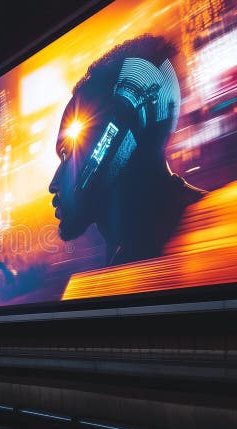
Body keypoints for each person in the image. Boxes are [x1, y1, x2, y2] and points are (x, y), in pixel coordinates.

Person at [48, 35, 205, 265]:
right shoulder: (127, 256)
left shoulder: (208, 235)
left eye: (67, 154)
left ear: (114, 139)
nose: (53, 184)